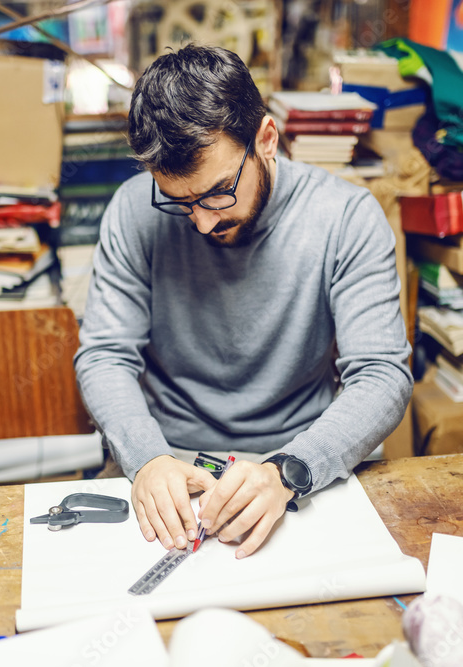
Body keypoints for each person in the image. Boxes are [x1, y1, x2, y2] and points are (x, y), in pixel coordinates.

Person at [73, 44, 412, 560]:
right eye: (178, 201)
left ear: (266, 140)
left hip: (300, 462)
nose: (202, 222)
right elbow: (104, 356)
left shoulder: (347, 218)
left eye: (217, 193)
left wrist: (290, 470)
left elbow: (382, 375)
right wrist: (146, 460)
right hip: (170, 460)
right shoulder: (133, 211)